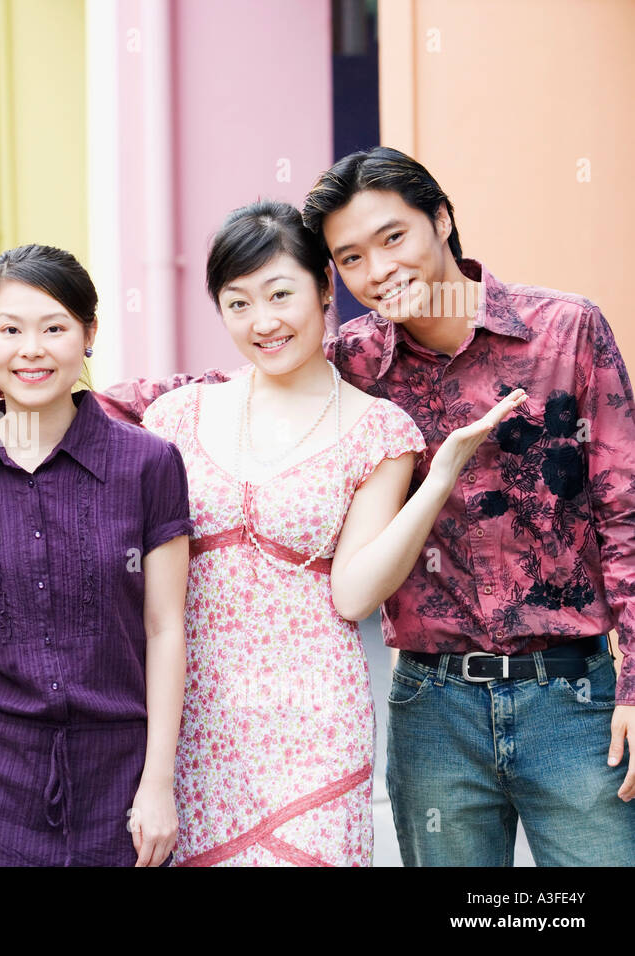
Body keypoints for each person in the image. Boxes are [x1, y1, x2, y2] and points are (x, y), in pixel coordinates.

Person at [102, 146, 635, 866]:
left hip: (573, 699)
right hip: (433, 707)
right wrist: (25, 380)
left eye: (393, 238)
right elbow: (212, 388)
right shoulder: (350, 363)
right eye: (351, 258)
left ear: (441, 219)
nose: (378, 270)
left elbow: (623, 509)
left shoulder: (566, 329)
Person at [139, 200, 524, 866]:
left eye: (280, 294)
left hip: (315, 729)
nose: (263, 322)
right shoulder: (174, 418)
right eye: (237, 304)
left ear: (323, 288)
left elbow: (351, 596)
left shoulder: (378, 431)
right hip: (194, 728)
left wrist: (439, 479)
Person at [0, 245, 189, 867]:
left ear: (88, 334)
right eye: (9, 330)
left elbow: (165, 628)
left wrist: (158, 782)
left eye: (54, 328)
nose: (31, 350)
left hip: (118, 783)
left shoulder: (149, 465)